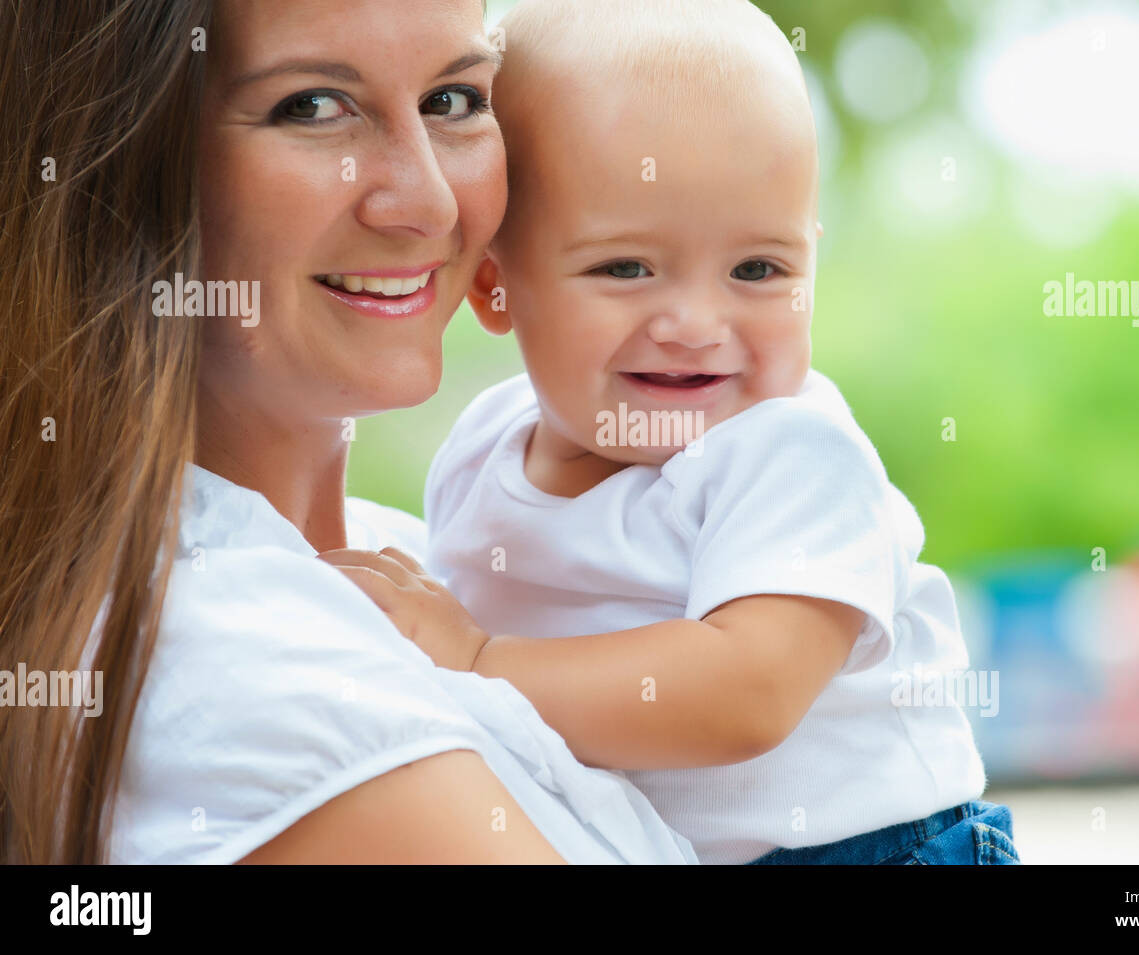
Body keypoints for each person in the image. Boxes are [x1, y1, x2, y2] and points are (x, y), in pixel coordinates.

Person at [0, 0, 695, 864]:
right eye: (314, 106)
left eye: (453, 100)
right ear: (117, 163)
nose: (430, 203)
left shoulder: (410, 562)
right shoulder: (243, 667)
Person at [337, 0, 1020, 865]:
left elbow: (748, 692)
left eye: (757, 269)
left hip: (869, 850)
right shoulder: (480, 451)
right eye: (626, 267)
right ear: (493, 287)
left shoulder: (793, 454)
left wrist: (478, 659)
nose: (697, 322)